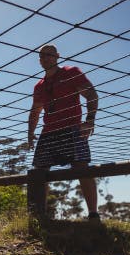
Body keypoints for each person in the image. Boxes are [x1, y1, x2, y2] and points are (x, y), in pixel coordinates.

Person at [28, 44, 100, 220]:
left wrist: (89, 121)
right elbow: (35, 110)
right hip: (49, 133)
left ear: (57, 56)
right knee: (39, 171)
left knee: (81, 167)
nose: (45, 58)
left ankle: (93, 215)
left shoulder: (71, 72)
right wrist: (30, 133)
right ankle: (39, 216)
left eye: (49, 55)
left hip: (72, 129)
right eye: (42, 56)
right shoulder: (39, 86)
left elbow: (92, 95)